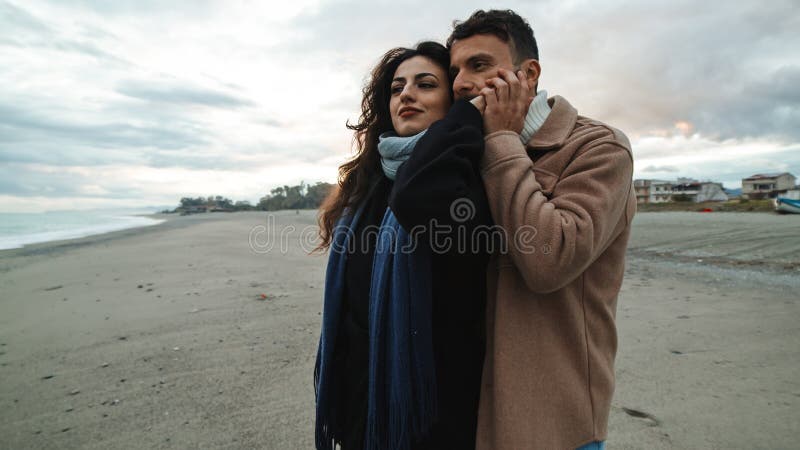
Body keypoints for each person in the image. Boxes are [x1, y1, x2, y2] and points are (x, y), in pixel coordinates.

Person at [446, 9, 637, 450]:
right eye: (455, 71)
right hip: (468, 412)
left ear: (528, 73)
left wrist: (502, 142)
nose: (460, 84)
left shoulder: (598, 147)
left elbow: (549, 259)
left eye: (478, 65)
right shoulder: (468, 152)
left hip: (553, 422)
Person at [313, 41, 492, 449]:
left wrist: (462, 121)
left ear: (454, 101)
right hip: (361, 402)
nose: (406, 95)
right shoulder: (367, 184)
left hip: (432, 412)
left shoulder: (467, 178)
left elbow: (425, 204)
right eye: (396, 88)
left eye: (425, 85)